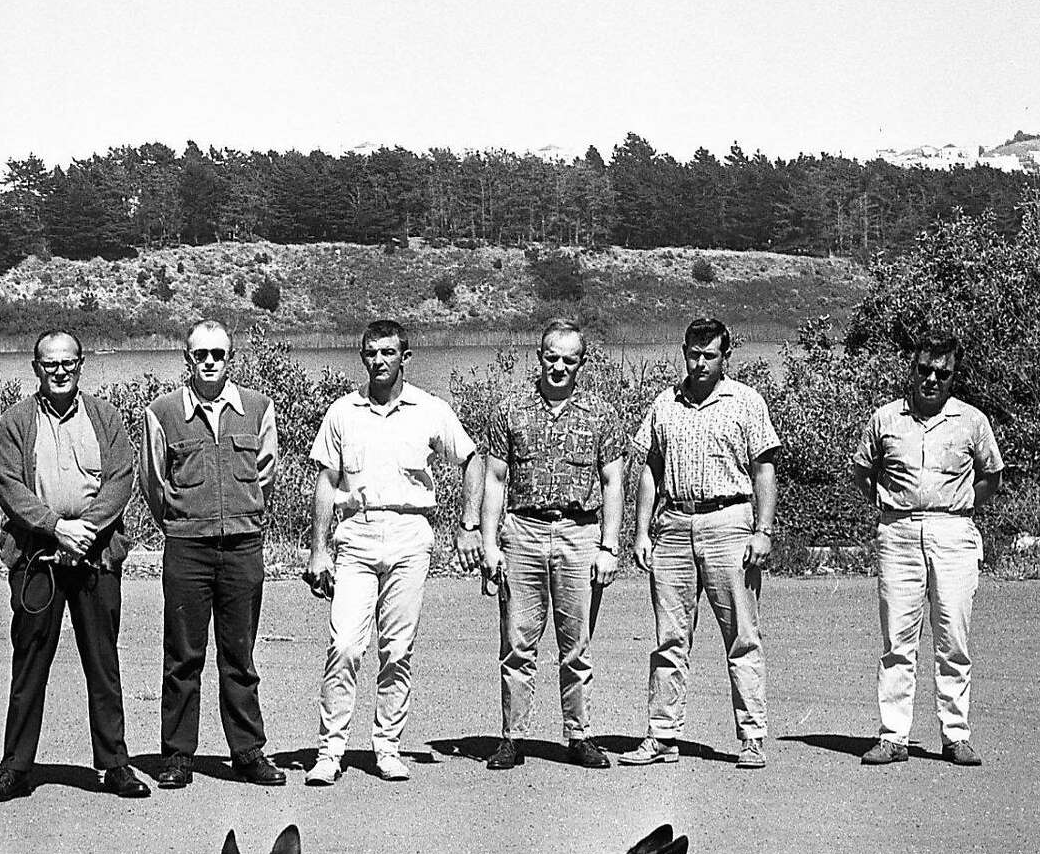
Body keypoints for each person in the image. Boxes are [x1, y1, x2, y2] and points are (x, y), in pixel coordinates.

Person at [304, 319, 484, 785]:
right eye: (370, 352)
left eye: (388, 352)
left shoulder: (430, 410)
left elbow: (471, 460)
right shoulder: (343, 412)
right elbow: (325, 482)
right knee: (344, 644)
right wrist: (318, 549)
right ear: (362, 357)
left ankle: (387, 746)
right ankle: (331, 750)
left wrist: (469, 525)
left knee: (397, 648)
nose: (379, 360)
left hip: (410, 534)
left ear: (405, 356)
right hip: (357, 533)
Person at [0, 330, 149, 803]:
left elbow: (121, 478)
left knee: (103, 660)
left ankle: (115, 764)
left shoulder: (105, 417)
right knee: (30, 660)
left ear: (81, 365)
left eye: (68, 363)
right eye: (49, 363)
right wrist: (56, 527)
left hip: (96, 555)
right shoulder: (15, 421)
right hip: (38, 557)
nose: (59, 371)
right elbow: (9, 486)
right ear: (36, 367)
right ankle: (15, 767)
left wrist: (87, 529)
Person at [622, 317, 781, 770]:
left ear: (725, 357)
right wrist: (641, 532)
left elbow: (764, 468)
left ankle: (751, 736)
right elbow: (650, 469)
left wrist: (763, 531)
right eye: (693, 354)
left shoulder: (746, 402)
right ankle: (663, 734)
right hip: (674, 522)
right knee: (669, 638)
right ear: (684, 352)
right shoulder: (665, 403)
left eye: (709, 355)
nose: (700, 363)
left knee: (742, 636)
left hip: (730, 521)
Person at [137, 320, 286, 789]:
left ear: (230, 358)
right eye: (199, 354)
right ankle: (178, 755)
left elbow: (265, 475)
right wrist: (184, 524)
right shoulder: (161, 413)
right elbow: (153, 481)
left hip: (242, 546)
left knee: (239, 654)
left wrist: (241, 517)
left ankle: (246, 751)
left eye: (217, 354)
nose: (209, 363)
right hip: (188, 549)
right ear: (187, 359)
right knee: (183, 656)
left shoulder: (259, 409)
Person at [477, 319, 626, 772]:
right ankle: (513, 737)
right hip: (522, 532)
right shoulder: (511, 409)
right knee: (517, 643)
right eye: (551, 357)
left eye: (569, 359)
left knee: (575, 645)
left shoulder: (602, 414)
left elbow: (613, 480)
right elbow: (496, 478)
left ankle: (578, 735)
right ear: (538, 356)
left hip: (580, 533)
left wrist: (610, 546)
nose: (559, 366)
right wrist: (489, 543)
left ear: (582, 362)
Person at [849, 333, 1002, 766]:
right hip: (897, 533)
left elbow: (992, 476)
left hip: (953, 532)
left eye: (942, 372)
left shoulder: (972, 421)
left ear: (953, 377)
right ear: (911, 369)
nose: (931, 379)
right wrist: (881, 501)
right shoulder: (884, 419)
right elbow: (862, 469)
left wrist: (962, 506)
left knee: (953, 637)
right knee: (898, 639)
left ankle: (955, 736)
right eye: (924, 370)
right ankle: (893, 736)